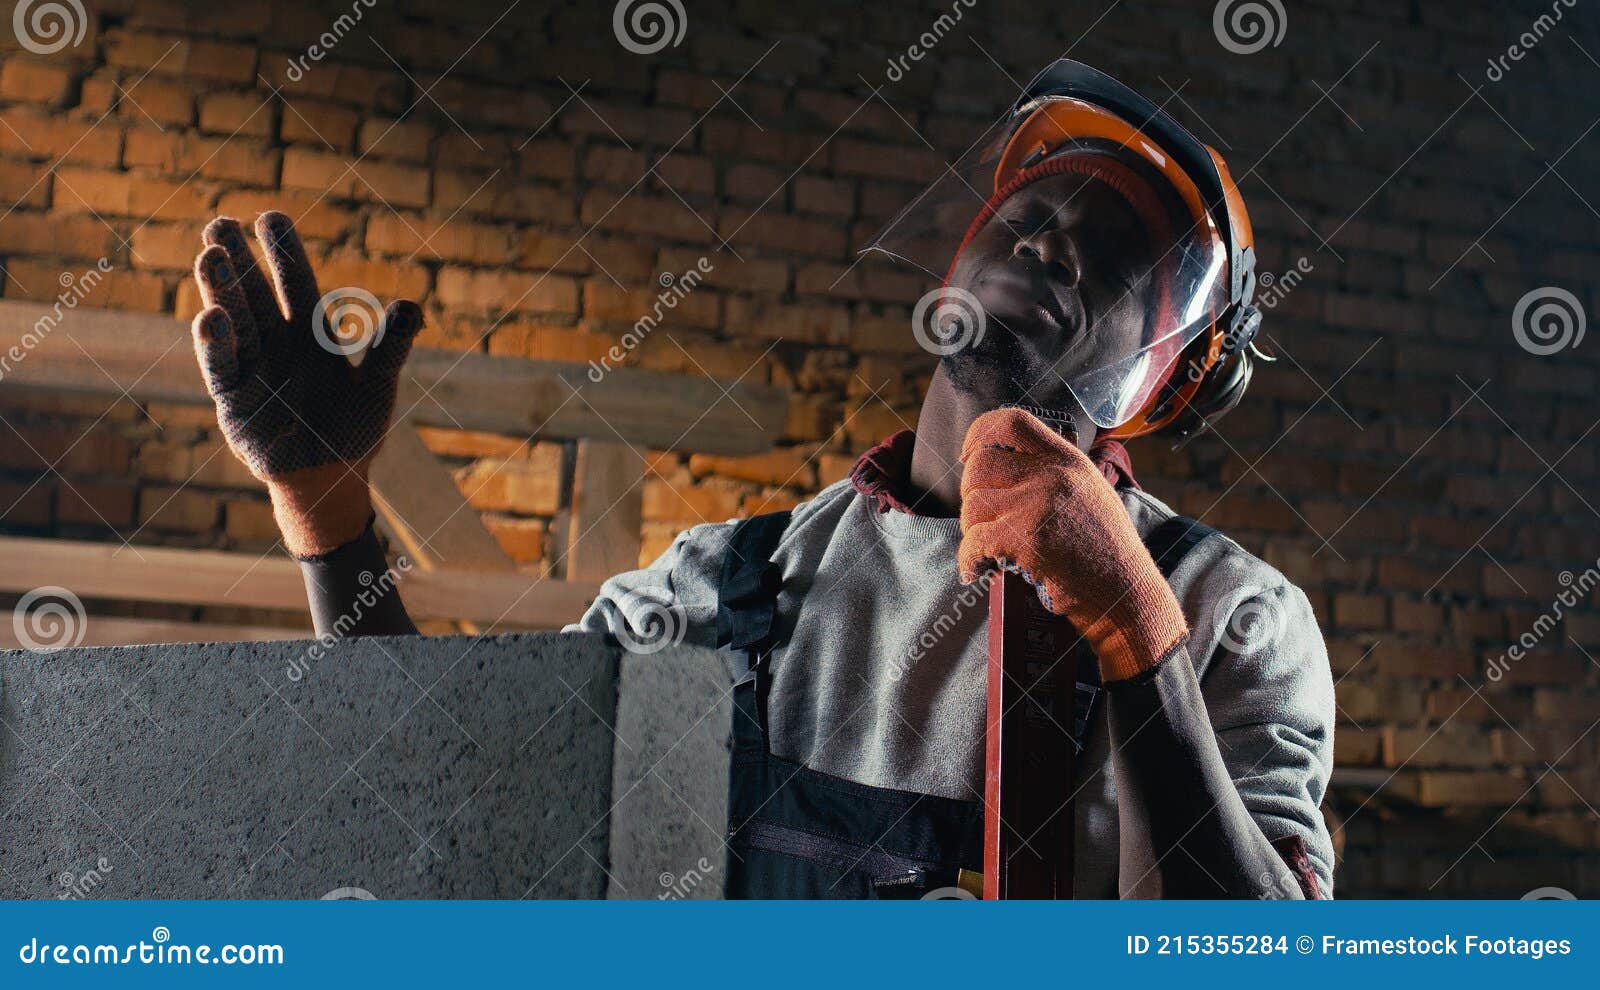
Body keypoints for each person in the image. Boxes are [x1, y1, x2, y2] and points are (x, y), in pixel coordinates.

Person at [187, 60, 1334, 899]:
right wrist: (330, 517)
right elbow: (461, 809)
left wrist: (1138, 634)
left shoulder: (1228, 618)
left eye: (1116, 252)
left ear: (1167, 374)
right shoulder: (720, 585)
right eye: (1027, 214)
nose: (1047, 245)